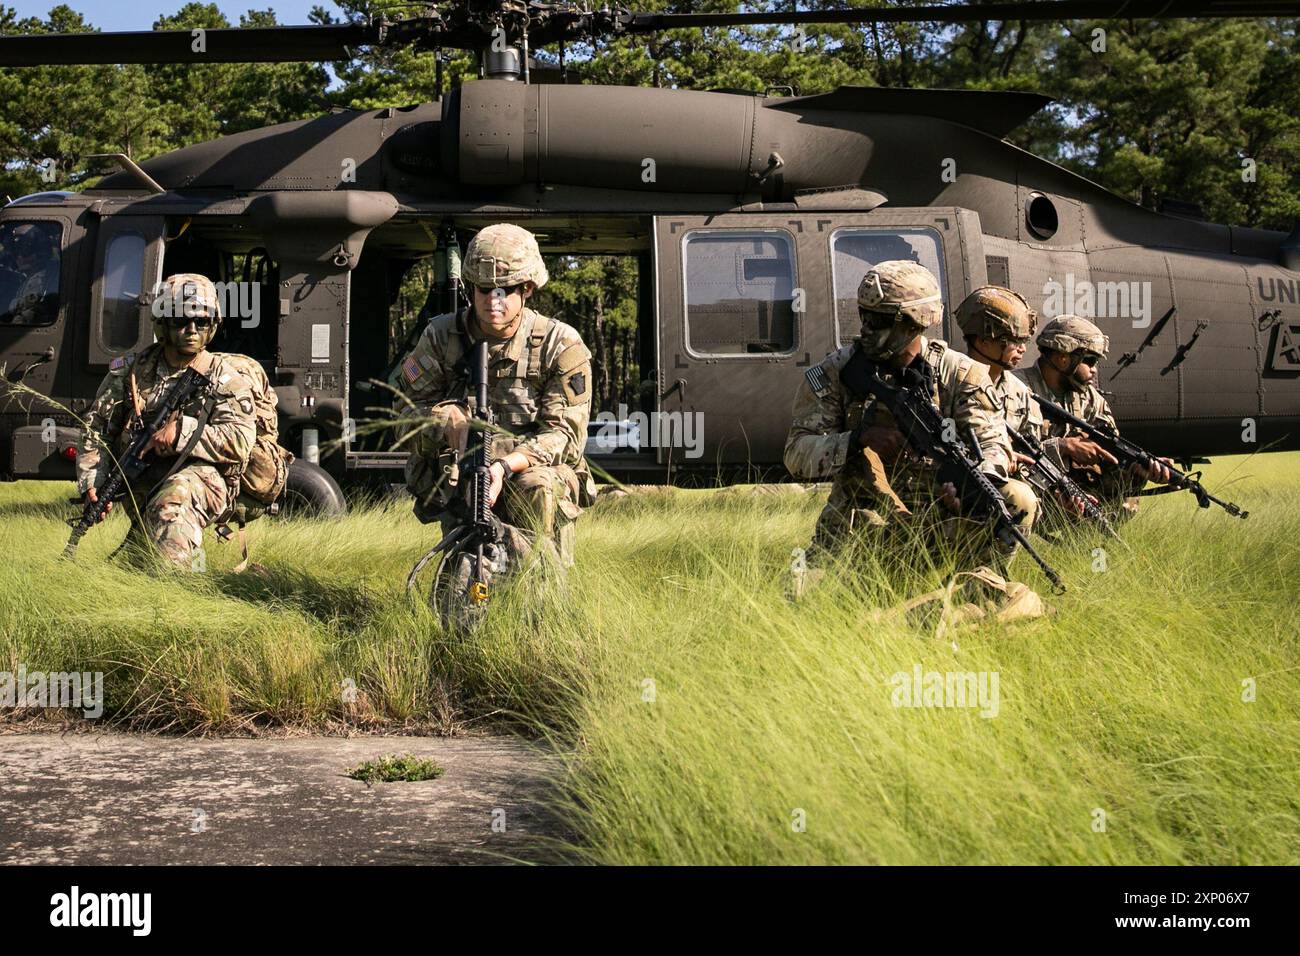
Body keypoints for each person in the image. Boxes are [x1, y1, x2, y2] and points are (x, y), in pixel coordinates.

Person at [784, 260, 1038, 576]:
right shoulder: (836, 373)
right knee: (798, 598)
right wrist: (856, 439)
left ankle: (976, 587)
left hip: (939, 520)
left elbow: (991, 441)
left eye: (880, 319)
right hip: (858, 522)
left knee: (1018, 498)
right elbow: (796, 455)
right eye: (865, 316)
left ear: (916, 321)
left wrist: (972, 483)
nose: (867, 328)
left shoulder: (960, 374)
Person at [390, 223, 595, 571]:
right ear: (471, 286)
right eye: (484, 289)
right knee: (464, 575)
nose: (493, 301)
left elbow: (565, 437)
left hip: (530, 472)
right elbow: (403, 417)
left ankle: (542, 586)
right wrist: (444, 423)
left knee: (538, 489)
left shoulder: (559, 344)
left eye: (505, 289)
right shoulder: (441, 337)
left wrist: (504, 466)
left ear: (527, 288)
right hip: (465, 471)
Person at [76, 274, 260, 568]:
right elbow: (97, 430)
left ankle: (175, 602)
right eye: (180, 321)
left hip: (203, 480)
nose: (191, 330)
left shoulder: (223, 378)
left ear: (212, 325)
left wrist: (179, 434)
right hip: (144, 484)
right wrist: (93, 484)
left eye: (201, 322)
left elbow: (241, 440)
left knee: (174, 504)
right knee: (142, 563)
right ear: (162, 323)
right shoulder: (132, 373)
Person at [1018, 315, 1172, 520]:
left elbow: (1112, 451)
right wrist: (1063, 447)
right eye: (1090, 360)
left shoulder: (1090, 398)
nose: (1094, 369)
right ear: (1063, 357)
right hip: (1030, 484)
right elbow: (998, 450)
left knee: (1127, 494)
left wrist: (1141, 467)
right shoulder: (1016, 389)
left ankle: (1095, 549)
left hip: (1068, 488)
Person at [2, 223, 61, 325]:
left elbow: (23, 320)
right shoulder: (27, 279)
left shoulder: (38, 282)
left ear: (39, 253)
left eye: (25, 251)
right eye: (16, 251)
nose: (19, 257)